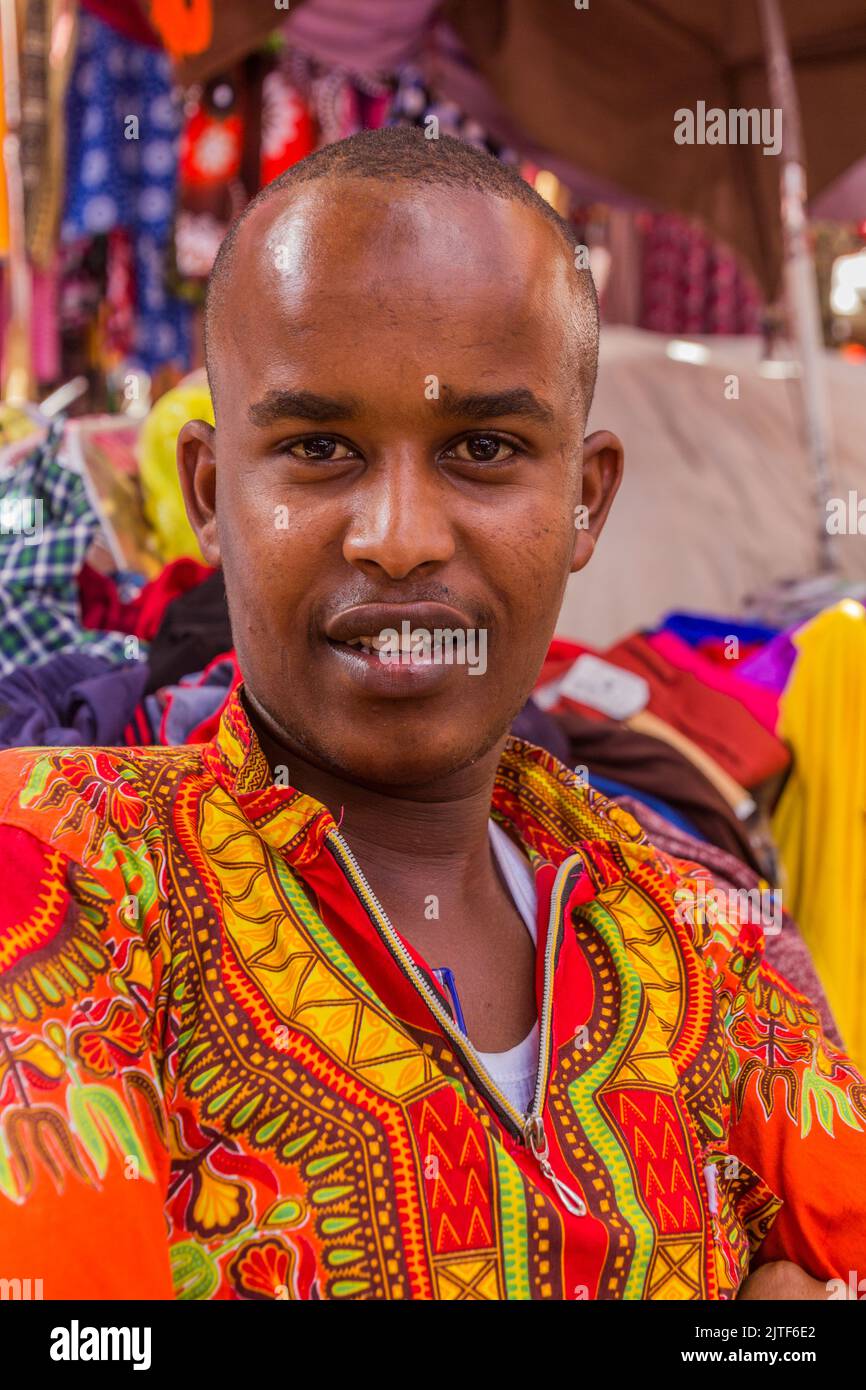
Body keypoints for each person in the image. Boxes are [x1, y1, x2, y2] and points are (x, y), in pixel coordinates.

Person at [0, 128, 862, 1302]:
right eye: (316, 447)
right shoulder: (56, 888)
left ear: (583, 500)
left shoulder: (714, 932)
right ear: (212, 495)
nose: (398, 537)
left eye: (481, 448)